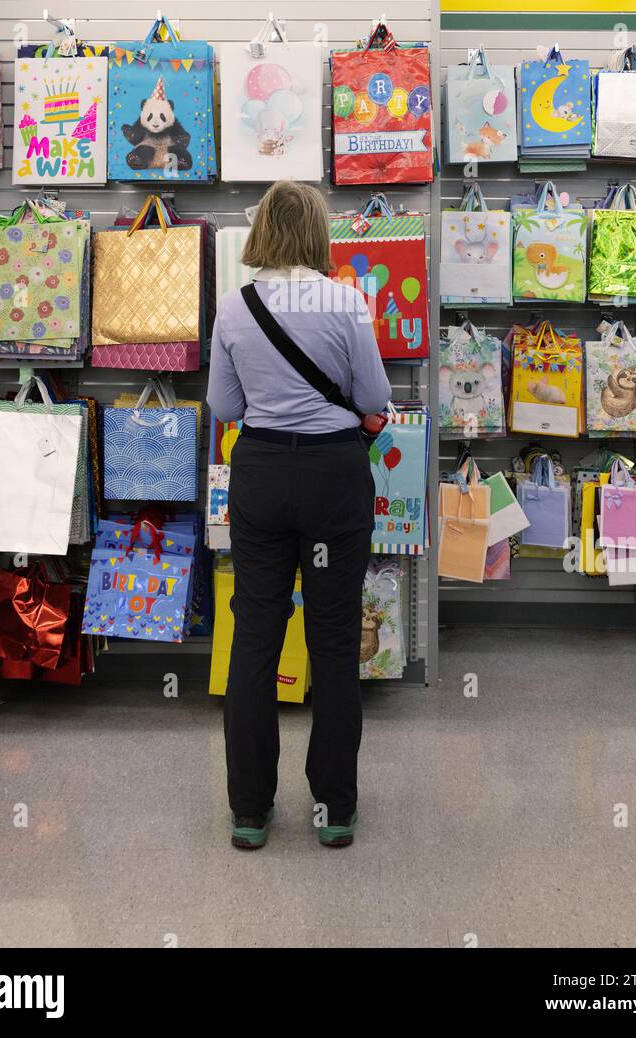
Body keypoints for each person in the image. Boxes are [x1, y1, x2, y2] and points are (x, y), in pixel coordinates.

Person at [207, 180, 391, 850]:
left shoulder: (234, 306)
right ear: (317, 232)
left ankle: (250, 811)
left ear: (260, 234)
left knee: (255, 638)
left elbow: (224, 410)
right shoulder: (345, 301)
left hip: (259, 475)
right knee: (335, 642)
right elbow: (372, 395)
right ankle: (334, 809)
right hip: (333, 476)